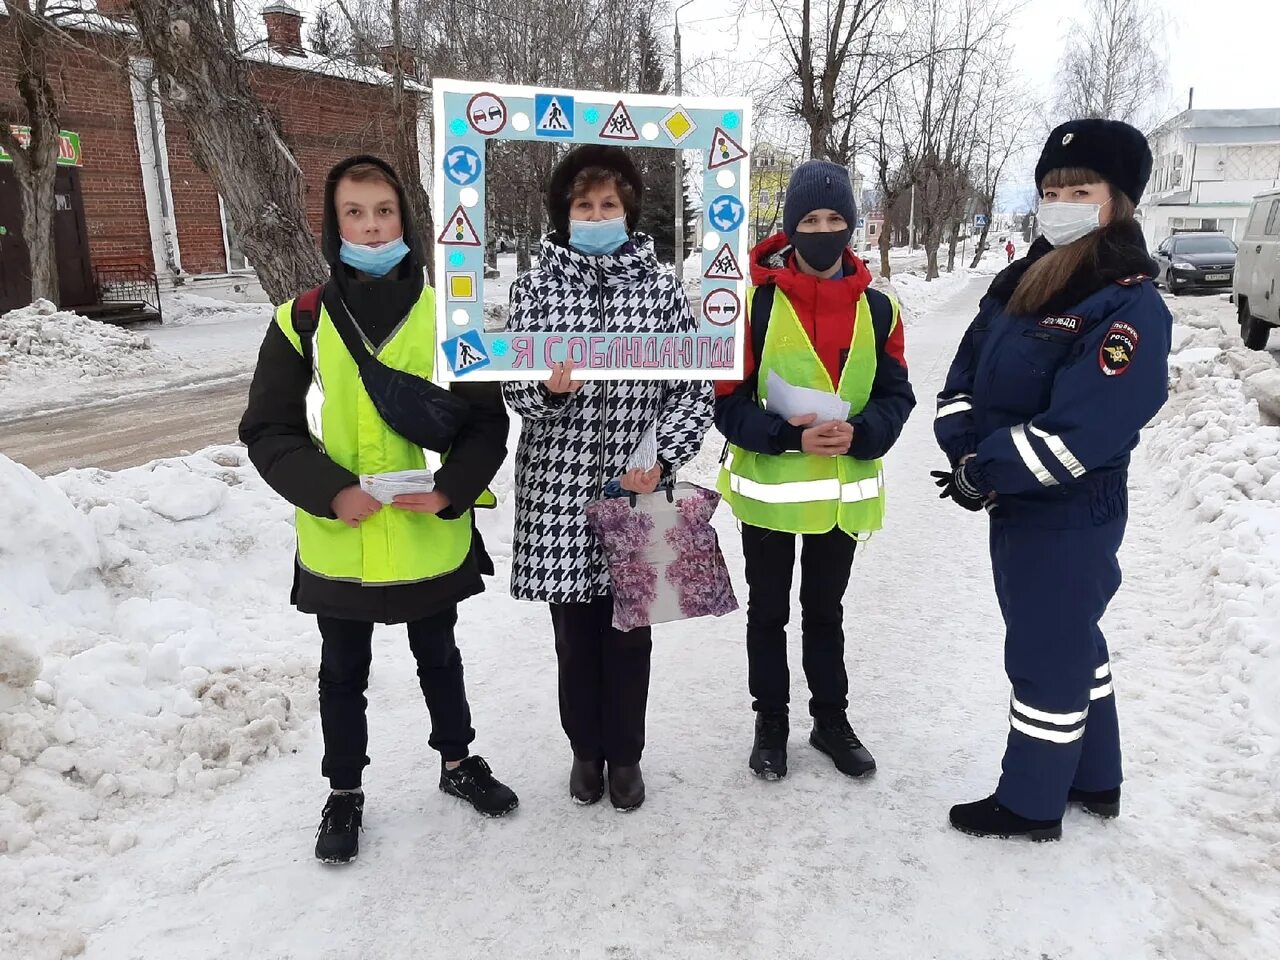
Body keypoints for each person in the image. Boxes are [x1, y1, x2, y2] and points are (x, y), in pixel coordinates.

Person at [239, 156, 517, 865]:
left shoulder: (450, 313)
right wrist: (331, 489)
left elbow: (487, 421)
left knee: (440, 656)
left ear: (408, 219)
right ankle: (345, 792)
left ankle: (458, 764)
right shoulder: (301, 317)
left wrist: (453, 488)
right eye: (354, 213)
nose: (371, 226)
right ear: (334, 225)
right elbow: (269, 428)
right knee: (342, 672)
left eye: (384, 211)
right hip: (345, 539)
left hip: (427, 530)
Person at [933, 119, 1171, 840]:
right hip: (1017, 498)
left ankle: (1032, 802)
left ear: (1118, 200)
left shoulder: (1128, 303)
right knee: (1073, 641)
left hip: (1068, 505)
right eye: (1052, 189)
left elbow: (1086, 429)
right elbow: (966, 375)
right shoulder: (1024, 279)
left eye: (1081, 188)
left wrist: (988, 470)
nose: (1063, 200)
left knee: (1045, 649)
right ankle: (1096, 778)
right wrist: (965, 447)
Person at [502, 145, 713, 812]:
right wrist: (548, 390)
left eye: (609, 204)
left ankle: (625, 756)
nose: (597, 214)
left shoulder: (662, 291)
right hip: (558, 494)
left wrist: (666, 458)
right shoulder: (534, 290)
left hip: (638, 483)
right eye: (584, 205)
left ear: (629, 211)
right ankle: (584, 752)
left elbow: (693, 387)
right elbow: (513, 388)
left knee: (631, 632)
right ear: (565, 215)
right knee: (574, 636)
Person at [715, 160, 916, 783]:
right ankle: (770, 722)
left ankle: (830, 721)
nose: (823, 230)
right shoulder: (752, 306)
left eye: (835, 219)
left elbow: (896, 396)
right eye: (810, 219)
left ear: (851, 228)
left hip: (841, 497)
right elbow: (726, 403)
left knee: (825, 612)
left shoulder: (881, 310)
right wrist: (785, 433)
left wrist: (866, 432)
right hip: (770, 494)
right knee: (768, 612)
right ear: (790, 228)